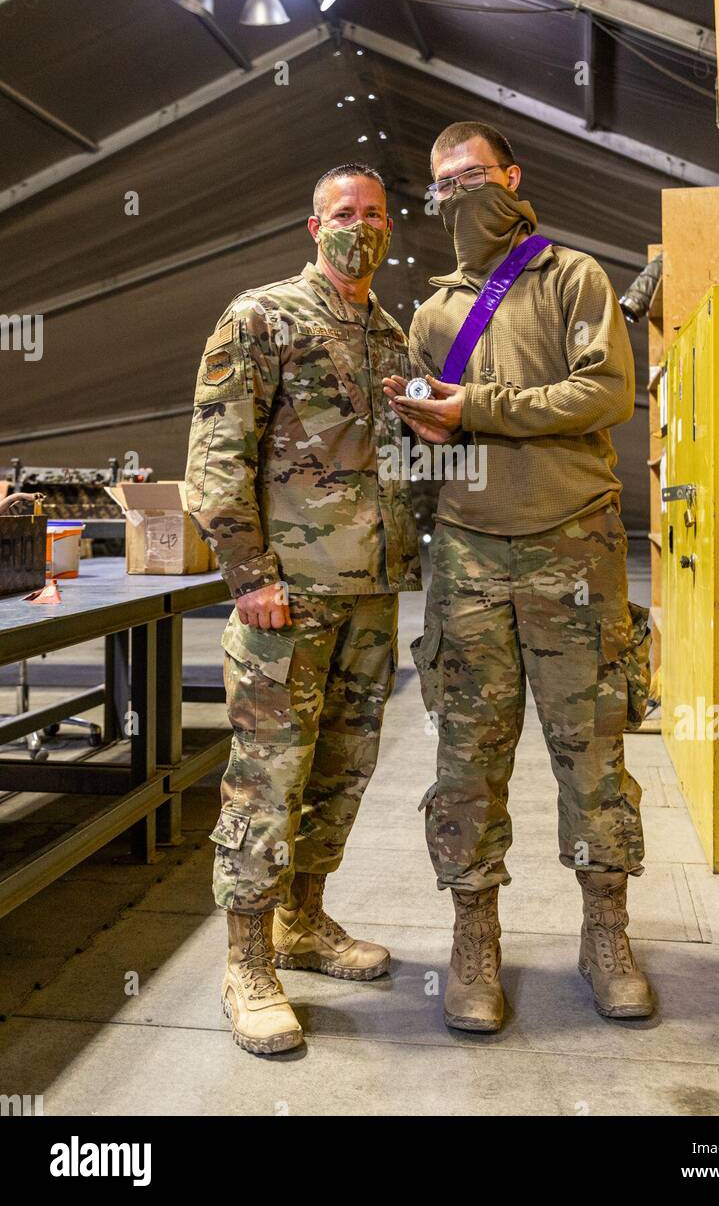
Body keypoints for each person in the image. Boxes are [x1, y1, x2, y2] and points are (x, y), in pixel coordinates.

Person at [383, 121, 653, 1033]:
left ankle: (605, 933)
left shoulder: (572, 278)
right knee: (467, 759)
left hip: (572, 545)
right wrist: (417, 431)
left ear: (513, 174)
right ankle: (474, 942)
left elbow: (607, 391)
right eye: (444, 183)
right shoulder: (430, 316)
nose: (461, 194)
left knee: (592, 754)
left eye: (475, 176)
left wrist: (477, 410)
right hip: (467, 554)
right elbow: (430, 446)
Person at [186, 163, 420, 1055]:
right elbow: (215, 458)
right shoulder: (262, 317)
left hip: (368, 598)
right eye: (342, 213)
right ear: (310, 225)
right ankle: (247, 961)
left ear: (390, 226)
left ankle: (303, 921)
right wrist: (251, 576)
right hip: (285, 599)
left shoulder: (389, 334)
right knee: (266, 779)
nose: (358, 226)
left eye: (372, 214)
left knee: (339, 775)